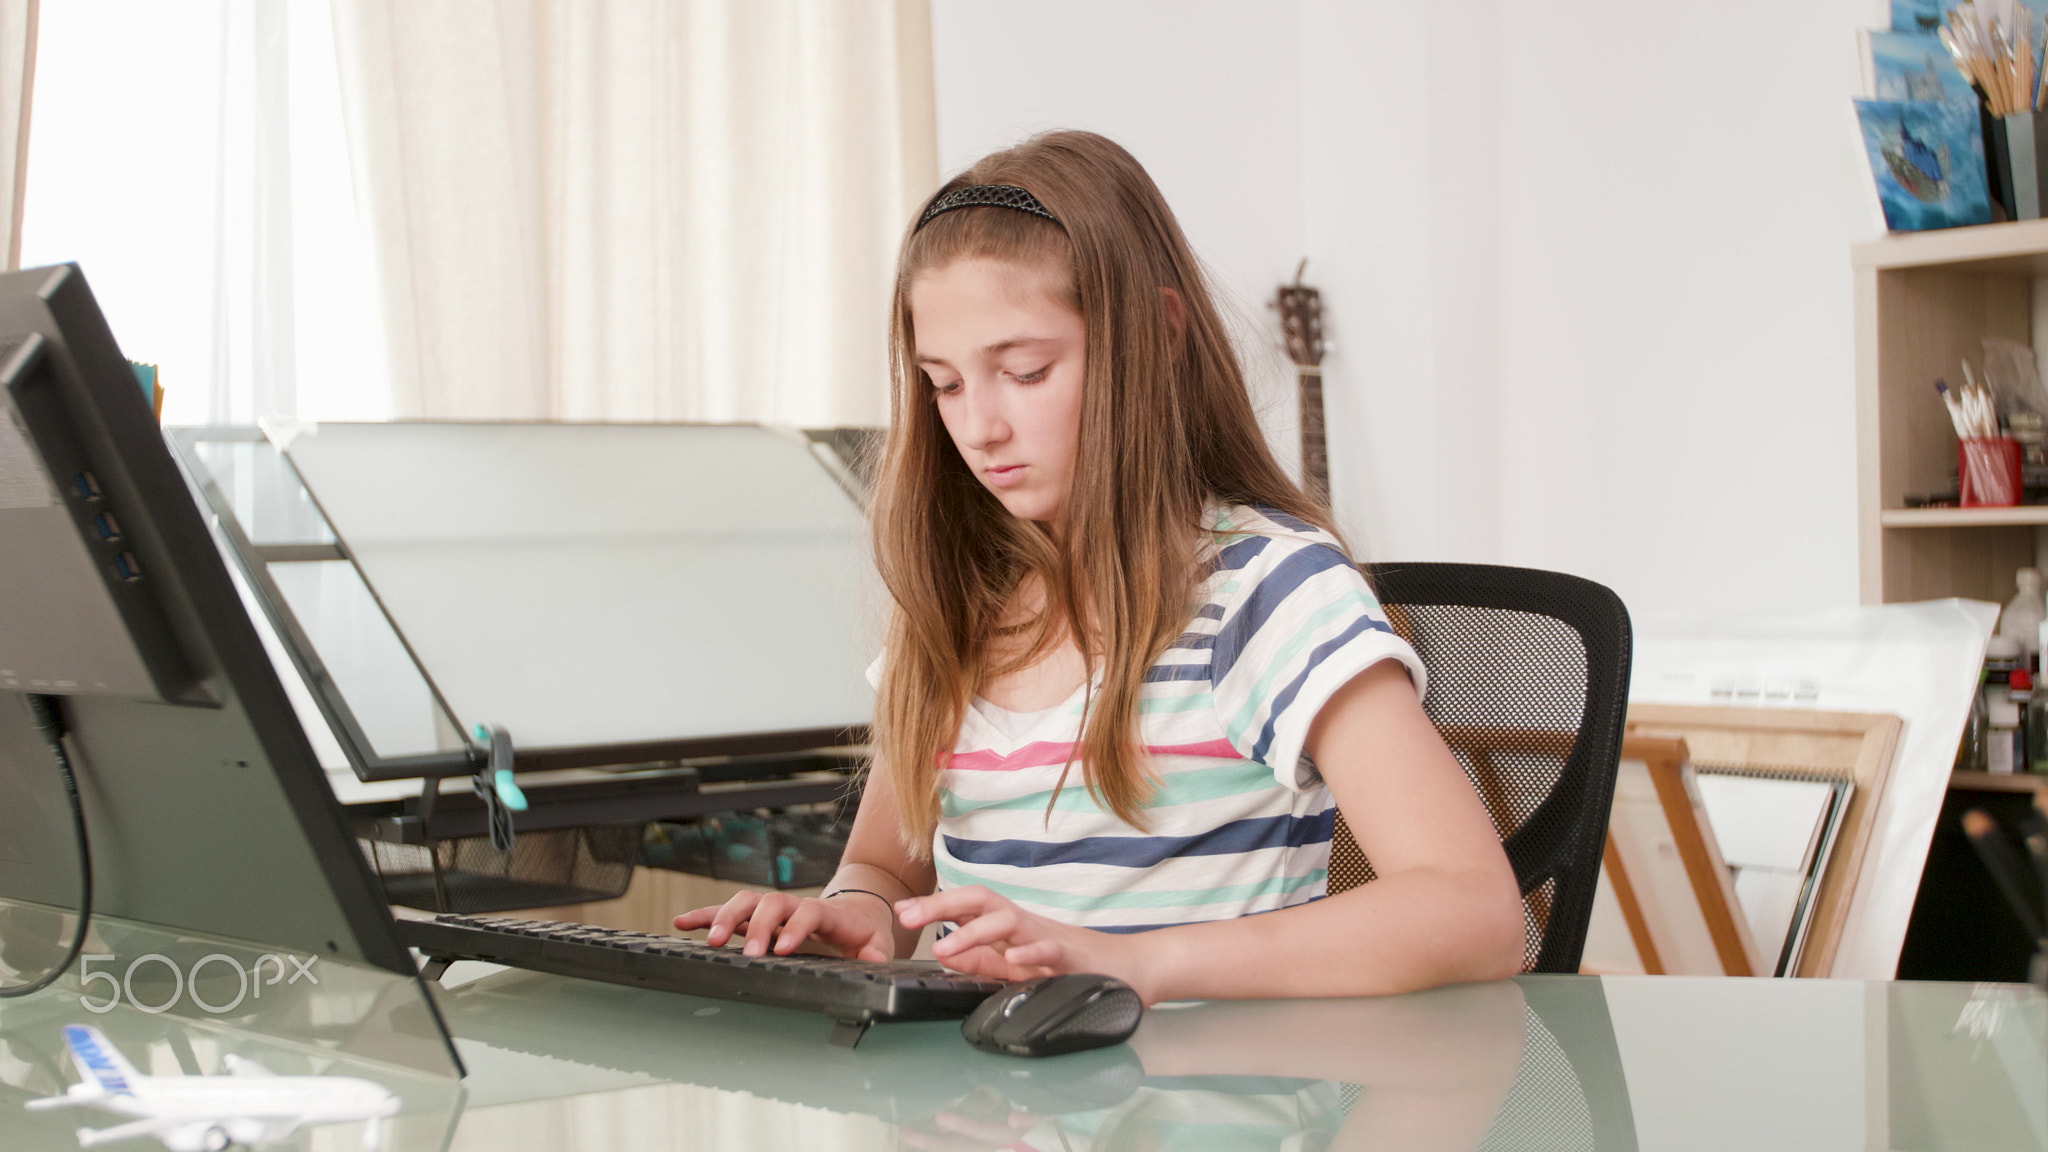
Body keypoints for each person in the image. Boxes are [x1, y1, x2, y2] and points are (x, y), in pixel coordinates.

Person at [677, 131, 1524, 1003]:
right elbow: (884, 867)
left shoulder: (1266, 593)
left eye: (1025, 371)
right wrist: (857, 909)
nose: (979, 428)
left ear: (1155, 335)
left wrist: (1136, 964)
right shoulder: (957, 602)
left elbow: (1473, 911)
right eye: (946, 384)